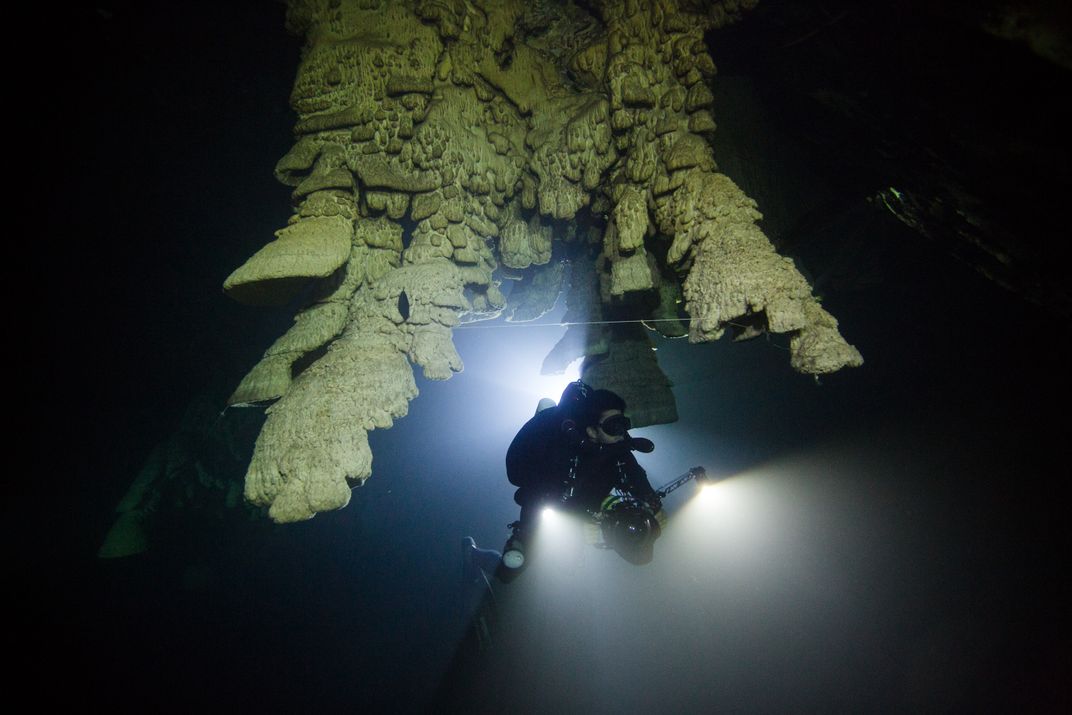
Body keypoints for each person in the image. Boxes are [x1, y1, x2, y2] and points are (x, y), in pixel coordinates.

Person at [463, 381, 662, 582]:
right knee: (511, 569)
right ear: (592, 430)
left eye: (622, 424)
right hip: (544, 503)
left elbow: (634, 475)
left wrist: (648, 498)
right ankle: (472, 553)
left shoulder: (617, 448)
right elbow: (518, 475)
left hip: (583, 506)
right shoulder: (559, 448)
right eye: (613, 427)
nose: (620, 433)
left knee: (574, 567)